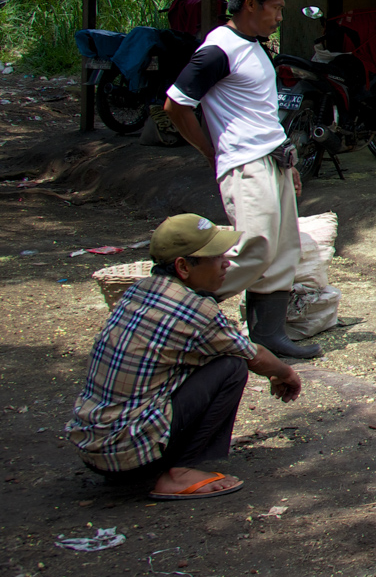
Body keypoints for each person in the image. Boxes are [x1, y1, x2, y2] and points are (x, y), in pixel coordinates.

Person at [66, 214, 304, 501]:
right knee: (231, 365)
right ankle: (178, 473)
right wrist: (286, 374)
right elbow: (255, 355)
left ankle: (165, 459)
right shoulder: (194, 311)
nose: (226, 263)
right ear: (183, 266)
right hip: (127, 453)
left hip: (94, 445)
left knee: (215, 358)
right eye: (216, 257)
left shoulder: (137, 291)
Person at [164, 0, 319, 361]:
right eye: (276, 8)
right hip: (246, 165)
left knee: (283, 252)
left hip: (273, 161)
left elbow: (262, 115)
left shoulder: (252, 45)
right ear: (250, 4)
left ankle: (268, 334)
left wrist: (290, 162)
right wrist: (210, 150)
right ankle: (174, 307)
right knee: (253, 248)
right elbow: (176, 104)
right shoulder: (220, 48)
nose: (280, 16)